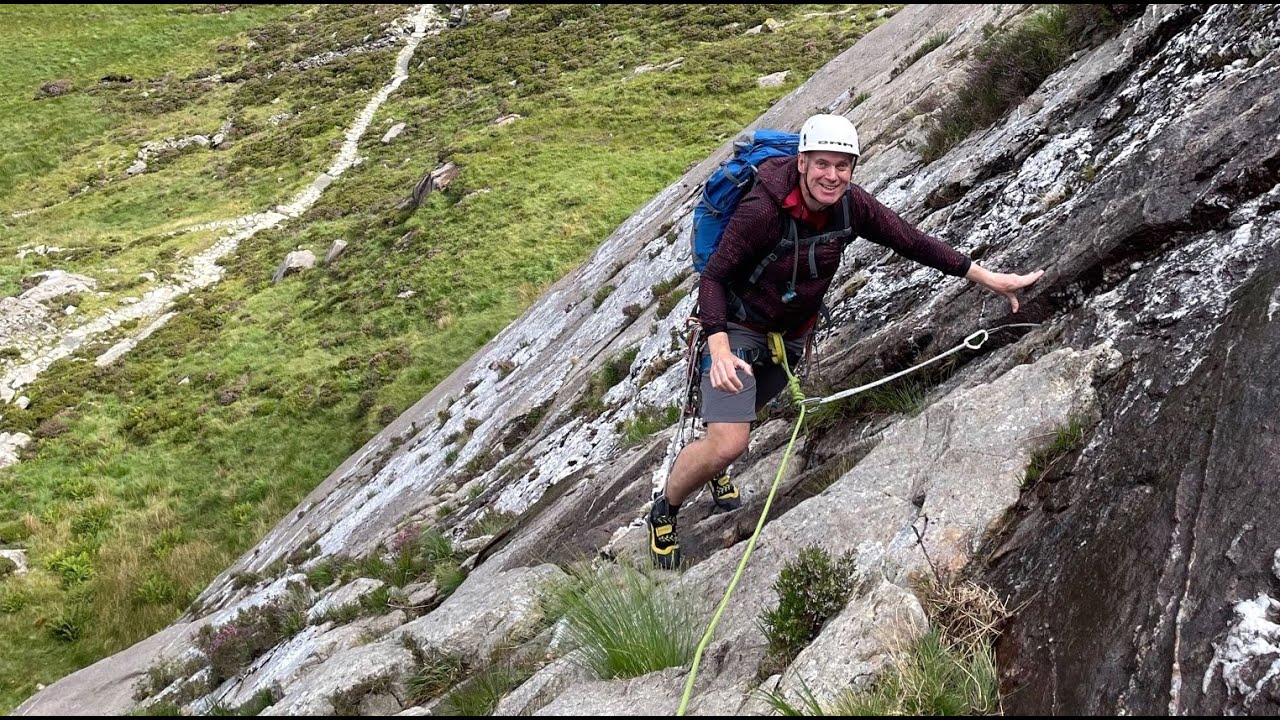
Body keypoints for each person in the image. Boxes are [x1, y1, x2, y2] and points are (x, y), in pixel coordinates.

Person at [647, 113, 1044, 569]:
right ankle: (666, 508)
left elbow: (912, 242)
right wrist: (717, 344)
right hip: (736, 326)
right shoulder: (762, 211)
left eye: (842, 166)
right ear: (801, 163)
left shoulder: (852, 206)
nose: (832, 176)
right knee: (729, 443)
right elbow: (714, 276)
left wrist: (987, 278)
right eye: (822, 164)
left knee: (741, 418)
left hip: (792, 336)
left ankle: (712, 465)